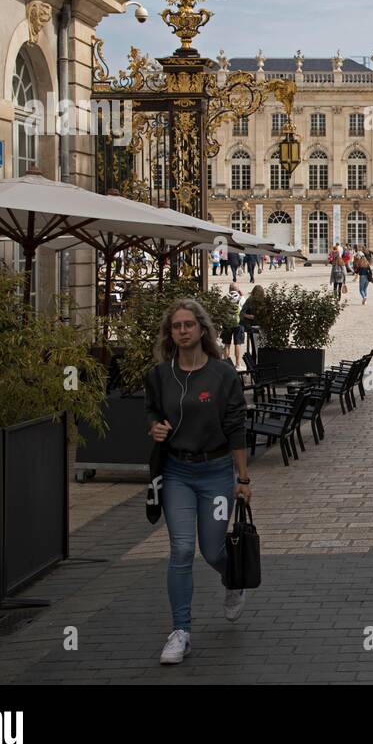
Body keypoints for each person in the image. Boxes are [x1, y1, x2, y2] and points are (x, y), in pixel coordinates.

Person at [143, 298, 251, 664]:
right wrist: (154, 428)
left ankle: (233, 579)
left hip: (217, 471)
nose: (183, 330)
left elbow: (237, 426)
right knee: (182, 551)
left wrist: (243, 478)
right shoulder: (160, 375)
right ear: (169, 333)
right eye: (177, 326)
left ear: (202, 329)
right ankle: (180, 632)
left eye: (189, 324)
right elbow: (153, 415)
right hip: (177, 472)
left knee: (214, 550)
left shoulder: (222, 374)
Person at [227, 283, 247, 371]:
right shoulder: (241, 298)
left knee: (226, 343)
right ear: (238, 289)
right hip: (238, 323)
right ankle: (238, 364)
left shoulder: (225, 298)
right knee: (237, 344)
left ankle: (226, 364)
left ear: (229, 289)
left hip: (227, 323)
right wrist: (242, 295)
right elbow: (245, 308)